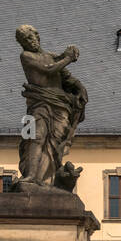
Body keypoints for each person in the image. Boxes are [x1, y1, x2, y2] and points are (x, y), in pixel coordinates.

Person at [14, 24, 88, 190]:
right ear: (22, 44)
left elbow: (67, 78)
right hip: (39, 103)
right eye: (25, 40)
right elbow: (48, 70)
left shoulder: (51, 56)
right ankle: (31, 175)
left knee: (54, 143)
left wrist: (80, 88)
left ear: (37, 37)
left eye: (31, 37)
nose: (29, 42)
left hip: (60, 106)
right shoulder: (26, 56)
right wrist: (68, 58)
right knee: (36, 136)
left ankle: (42, 180)